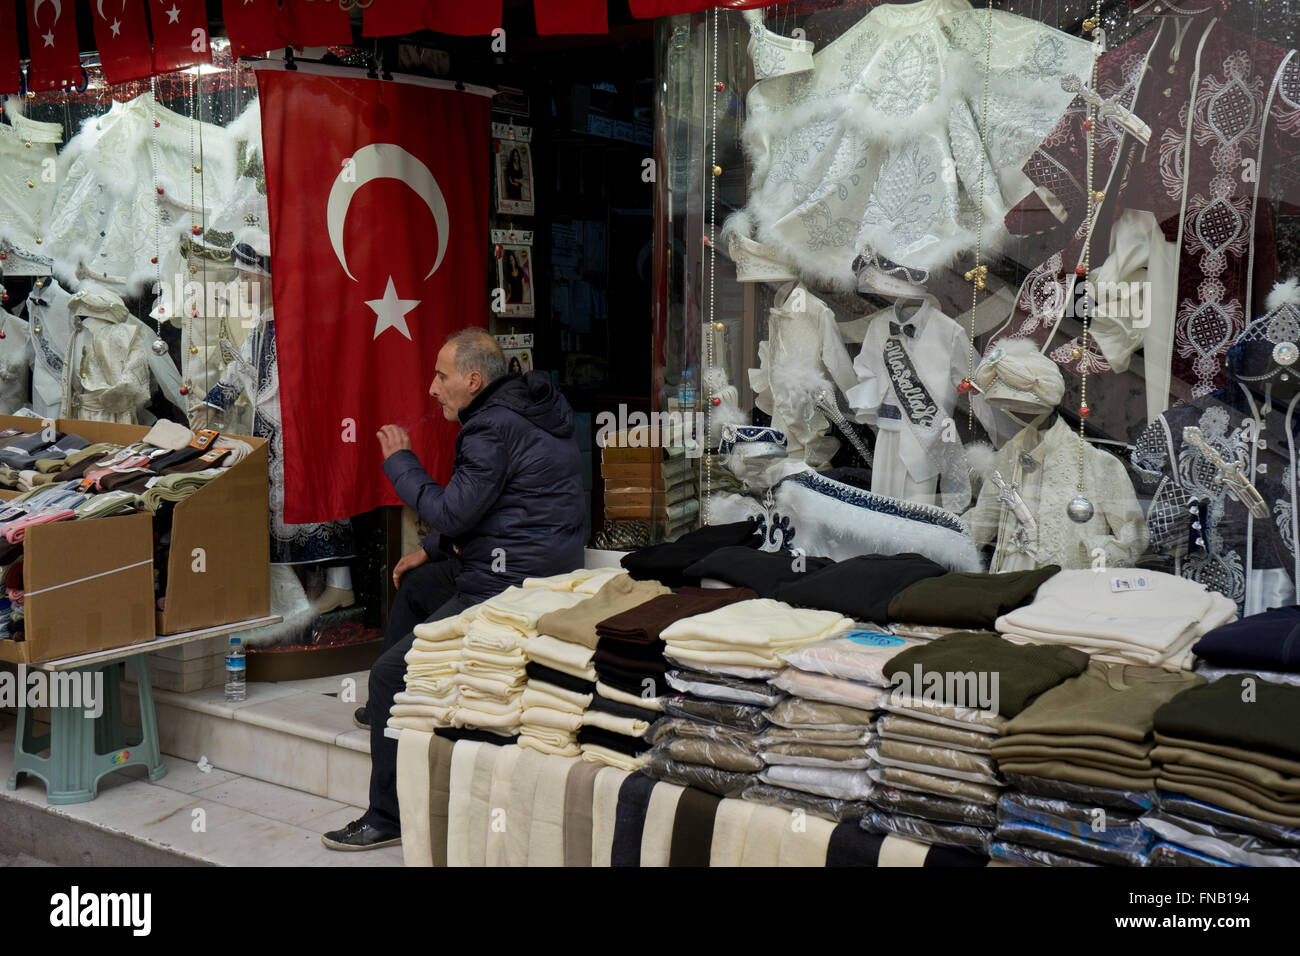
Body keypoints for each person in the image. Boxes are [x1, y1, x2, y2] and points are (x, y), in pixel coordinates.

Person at [322, 328, 586, 850]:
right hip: (533, 565)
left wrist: (400, 461)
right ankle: (389, 710)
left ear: (472, 379)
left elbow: (453, 508)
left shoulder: (490, 428)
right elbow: (499, 505)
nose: (432, 388)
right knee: (418, 581)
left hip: (511, 583)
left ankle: (388, 816)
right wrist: (435, 548)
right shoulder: (527, 410)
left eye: (441, 376)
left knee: (384, 673)